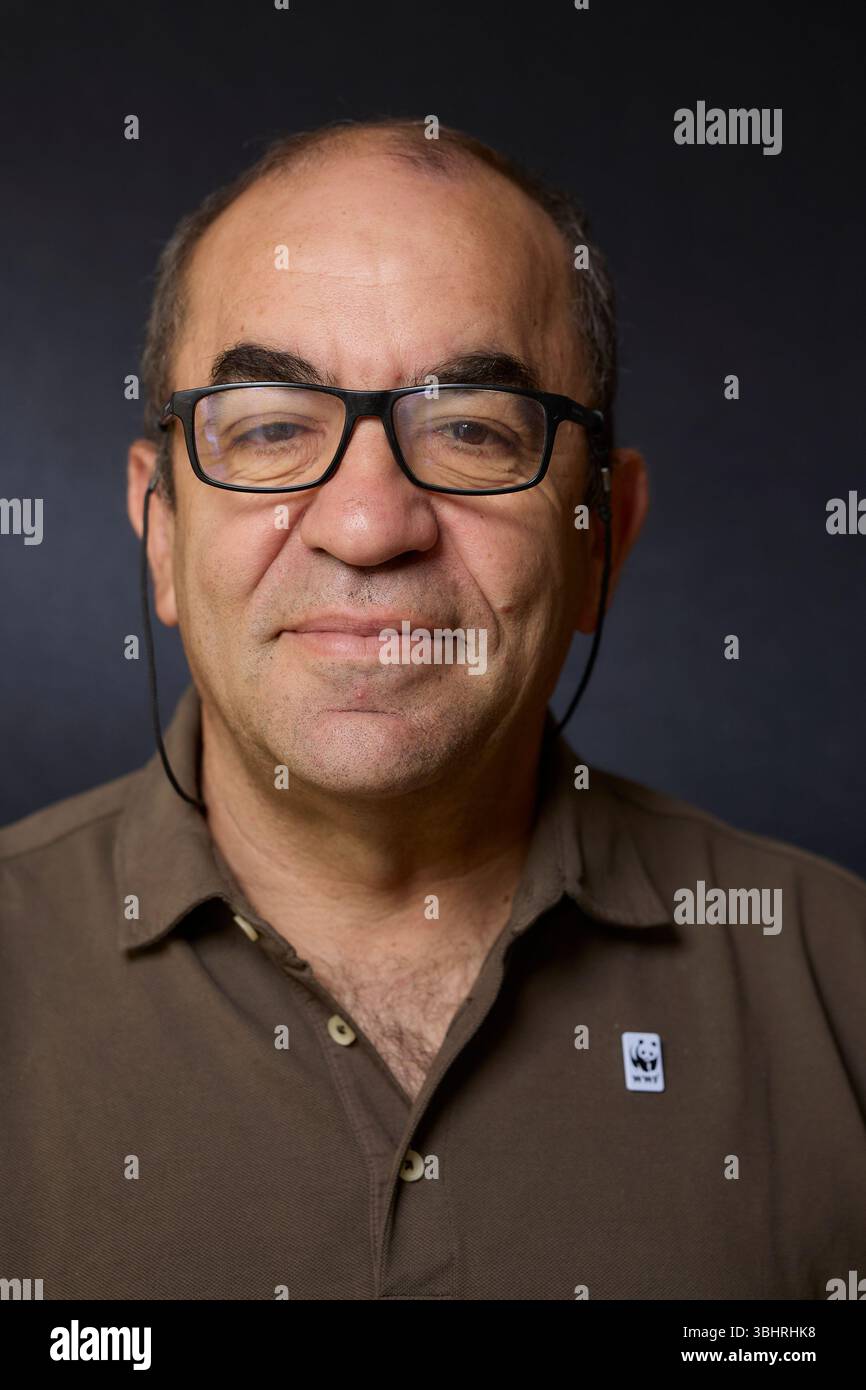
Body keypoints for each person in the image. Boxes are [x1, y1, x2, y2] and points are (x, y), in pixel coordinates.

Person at [1, 117, 864, 1301]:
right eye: (267, 427)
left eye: (468, 431)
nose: (367, 525)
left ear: (600, 537)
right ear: (159, 528)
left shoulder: (839, 989)